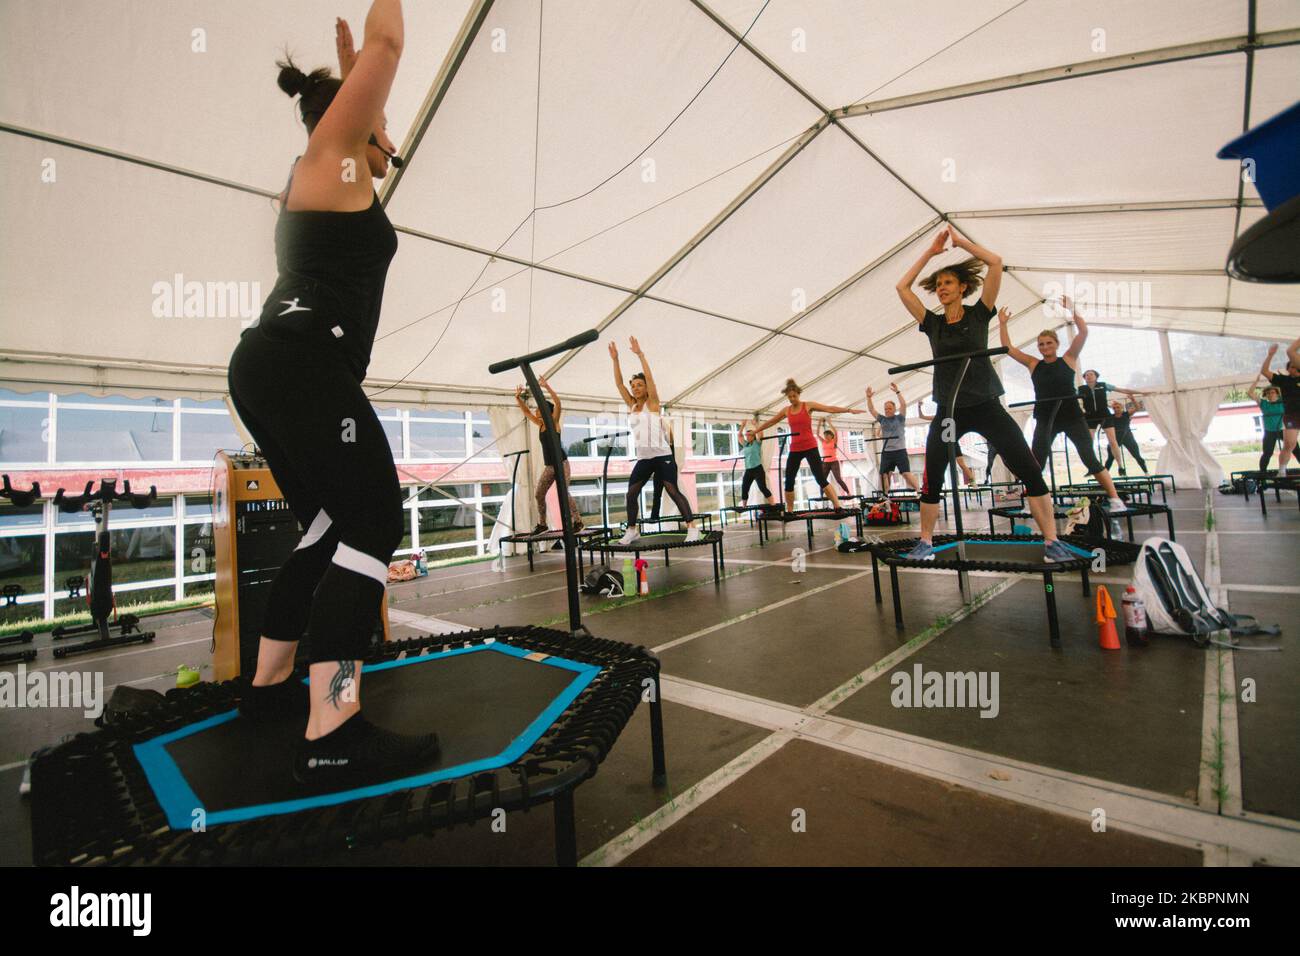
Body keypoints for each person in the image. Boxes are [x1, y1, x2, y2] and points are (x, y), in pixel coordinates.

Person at [226, 4, 439, 784]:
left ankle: (269, 689)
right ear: (361, 126)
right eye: (383, 121)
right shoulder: (332, 158)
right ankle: (334, 722)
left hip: (270, 366)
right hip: (302, 365)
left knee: (322, 528)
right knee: (373, 520)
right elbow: (389, 40)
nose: (394, 140)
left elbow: (359, 100)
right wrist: (370, 69)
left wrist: (354, 83)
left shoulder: (326, 173)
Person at [894, 226, 1072, 561]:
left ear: (962, 287)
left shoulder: (979, 314)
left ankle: (1051, 542)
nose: (943, 288)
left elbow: (995, 263)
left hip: (987, 404)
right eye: (940, 284)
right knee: (932, 478)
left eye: (949, 283)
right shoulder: (932, 323)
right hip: (949, 410)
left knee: (1030, 470)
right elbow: (902, 287)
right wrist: (929, 253)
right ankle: (926, 543)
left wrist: (962, 243)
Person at [998, 298, 1128, 511]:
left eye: (1049, 343)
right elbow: (1008, 348)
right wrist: (1002, 323)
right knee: (1035, 463)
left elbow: (1083, 332)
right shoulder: (1033, 364)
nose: (1045, 347)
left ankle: (1115, 500)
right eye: (1041, 344)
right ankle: (1033, 504)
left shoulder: (1068, 359)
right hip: (1046, 418)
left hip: (1072, 417)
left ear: (1057, 344)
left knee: (1089, 458)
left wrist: (1073, 311)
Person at [609, 338, 700, 544]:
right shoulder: (632, 405)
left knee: (672, 490)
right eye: (633, 386)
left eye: (639, 385)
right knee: (631, 493)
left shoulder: (653, 403)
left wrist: (640, 355)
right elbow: (618, 383)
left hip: (663, 456)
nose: (635, 388)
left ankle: (692, 528)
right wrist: (616, 360)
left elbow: (651, 379)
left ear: (647, 388)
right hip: (644, 458)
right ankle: (632, 530)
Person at [754, 382, 864, 511]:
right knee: (789, 481)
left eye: (794, 396)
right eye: (789, 397)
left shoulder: (808, 406)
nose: (792, 399)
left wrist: (849, 410)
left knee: (820, 479)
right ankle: (789, 511)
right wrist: (757, 430)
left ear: (798, 394)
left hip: (810, 447)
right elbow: (772, 421)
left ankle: (837, 506)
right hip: (795, 449)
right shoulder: (786, 410)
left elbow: (829, 408)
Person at [513, 378, 583, 534]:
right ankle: (542, 524)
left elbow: (558, 404)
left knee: (563, 492)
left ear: (546, 411)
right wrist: (517, 398)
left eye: (539, 409)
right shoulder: (541, 425)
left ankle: (577, 521)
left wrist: (547, 387)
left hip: (562, 463)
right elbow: (526, 412)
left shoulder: (554, 422)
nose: (536, 412)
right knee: (539, 494)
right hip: (550, 466)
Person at [1077, 370, 1142, 475]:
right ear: (1084, 378)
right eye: (1086, 375)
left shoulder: (1103, 385)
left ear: (1096, 377)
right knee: (1089, 442)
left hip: (1104, 415)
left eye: (1091, 374)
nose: (1089, 376)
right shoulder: (1081, 389)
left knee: (1113, 441)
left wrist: (1140, 393)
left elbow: (1122, 390)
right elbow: (1071, 398)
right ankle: (1092, 466)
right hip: (1090, 416)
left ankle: (1121, 467)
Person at [865, 384, 920, 492]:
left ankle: (919, 490)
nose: (887, 410)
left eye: (889, 408)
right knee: (884, 475)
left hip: (900, 451)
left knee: (905, 473)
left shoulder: (900, 418)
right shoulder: (882, 419)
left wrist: (897, 392)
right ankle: (886, 496)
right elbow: (871, 409)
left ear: (895, 409)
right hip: (887, 452)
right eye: (886, 409)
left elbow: (903, 404)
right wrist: (869, 397)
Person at [1260, 338, 1300, 476]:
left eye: (1297, 366)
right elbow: (1264, 371)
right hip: (1292, 415)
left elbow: (1291, 351)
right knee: (1289, 444)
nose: (1295, 369)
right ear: (1288, 369)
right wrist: (1270, 355)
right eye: (1292, 367)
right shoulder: (1284, 380)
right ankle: (1282, 470)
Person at [917, 401, 978, 486]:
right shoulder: (938, 418)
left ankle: (973, 482)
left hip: (952, 442)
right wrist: (919, 407)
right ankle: (936, 484)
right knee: (940, 464)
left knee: (961, 464)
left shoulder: (953, 417)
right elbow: (921, 416)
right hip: (943, 443)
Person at [1247, 381, 1286, 474]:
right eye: (1268, 393)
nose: (1270, 394)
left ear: (1277, 394)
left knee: (1295, 449)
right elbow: (1250, 393)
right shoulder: (1264, 403)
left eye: (1272, 392)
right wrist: (1256, 382)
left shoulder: (1282, 401)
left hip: (1283, 430)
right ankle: (1262, 473)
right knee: (1267, 453)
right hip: (1269, 431)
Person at [1102, 398, 1149, 475]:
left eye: (1118, 407)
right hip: (1115, 439)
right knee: (1110, 458)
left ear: (1122, 408)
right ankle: (1105, 477)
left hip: (1128, 438)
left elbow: (1137, 407)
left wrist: (1132, 398)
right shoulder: (1110, 417)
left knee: (1137, 456)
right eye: (1114, 408)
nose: (1116, 409)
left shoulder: (1126, 414)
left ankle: (1146, 472)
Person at [737, 427, 776, 506]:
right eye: (746, 435)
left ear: (753, 436)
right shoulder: (745, 444)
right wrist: (743, 425)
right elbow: (739, 436)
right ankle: (744, 506)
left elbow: (761, 434)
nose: (747, 437)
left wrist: (756, 425)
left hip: (757, 469)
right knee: (744, 488)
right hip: (748, 470)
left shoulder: (757, 443)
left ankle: (773, 504)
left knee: (762, 488)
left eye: (749, 435)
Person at [819, 422, 852, 495]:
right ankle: (821, 495)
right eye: (825, 436)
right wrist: (819, 423)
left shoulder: (834, 441)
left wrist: (829, 422)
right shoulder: (823, 442)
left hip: (834, 462)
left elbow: (835, 431)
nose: (826, 437)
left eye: (827, 435)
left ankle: (848, 492)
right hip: (825, 462)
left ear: (831, 436)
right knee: (822, 480)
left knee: (838, 479)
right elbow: (818, 434)